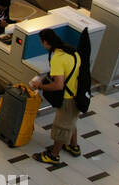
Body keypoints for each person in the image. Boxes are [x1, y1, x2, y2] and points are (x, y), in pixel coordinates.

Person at [31, 29, 82, 165]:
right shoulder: (72, 52)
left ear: (45, 42)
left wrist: (40, 86)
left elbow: (59, 85)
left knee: (61, 126)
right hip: (79, 94)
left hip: (67, 98)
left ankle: (54, 155)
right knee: (70, 121)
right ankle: (73, 146)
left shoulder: (57, 59)